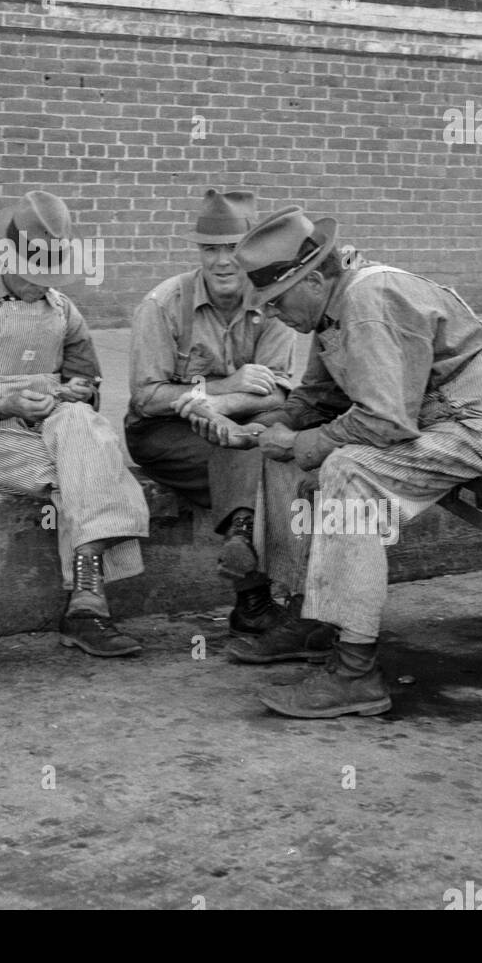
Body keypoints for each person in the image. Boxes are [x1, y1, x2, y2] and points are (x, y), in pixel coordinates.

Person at [196, 206, 482, 718]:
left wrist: (302, 443)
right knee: (287, 457)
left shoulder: (368, 302)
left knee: (347, 471)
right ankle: (312, 616)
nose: (270, 314)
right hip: (434, 422)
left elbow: (385, 423)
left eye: (275, 300)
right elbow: (317, 396)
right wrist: (273, 428)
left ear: (313, 280)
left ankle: (356, 672)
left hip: (480, 426)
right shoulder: (334, 304)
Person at [0, 191, 148, 657]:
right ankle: (86, 605)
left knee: (82, 424)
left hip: (55, 427)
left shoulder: (63, 310)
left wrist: (80, 390)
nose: (41, 284)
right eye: (32, 273)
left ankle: (85, 602)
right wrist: (3, 405)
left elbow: (88, 383)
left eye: (50, 274)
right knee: (91, 470)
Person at [125, 189, 296, 636]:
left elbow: (280, 391)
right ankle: (256, 598)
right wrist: (224, 386)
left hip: (242, 421)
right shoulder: (163, 304)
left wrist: (218, 404)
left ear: (251, 250)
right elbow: (147, 397)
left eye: (233, 248)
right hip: (167, 431)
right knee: (252, 456)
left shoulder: (273, 303)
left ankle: (246, 544)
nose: (222, 261)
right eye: (210, 249)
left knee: (278, 440)